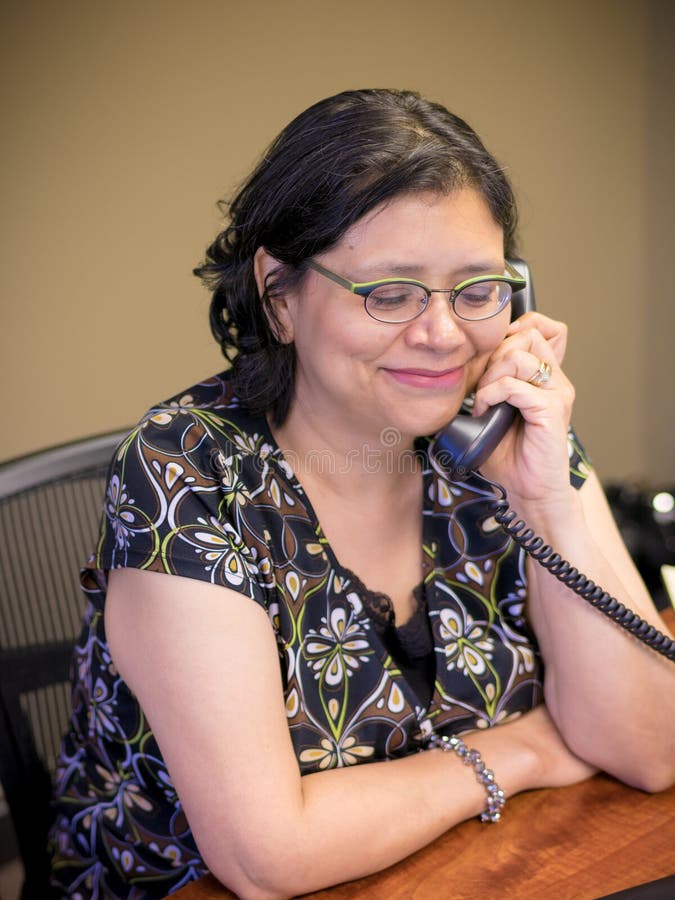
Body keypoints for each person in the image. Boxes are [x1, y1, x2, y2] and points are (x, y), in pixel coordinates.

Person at [49, 88, 674, 899]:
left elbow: (649, 750)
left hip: (474, 869)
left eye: (477, 289)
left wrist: (547, 499)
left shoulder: (501, 424)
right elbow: (268, 856)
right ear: (279, 293)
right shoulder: (187, 471)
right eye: (390, 292)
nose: (443, 334)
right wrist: (521, 753)